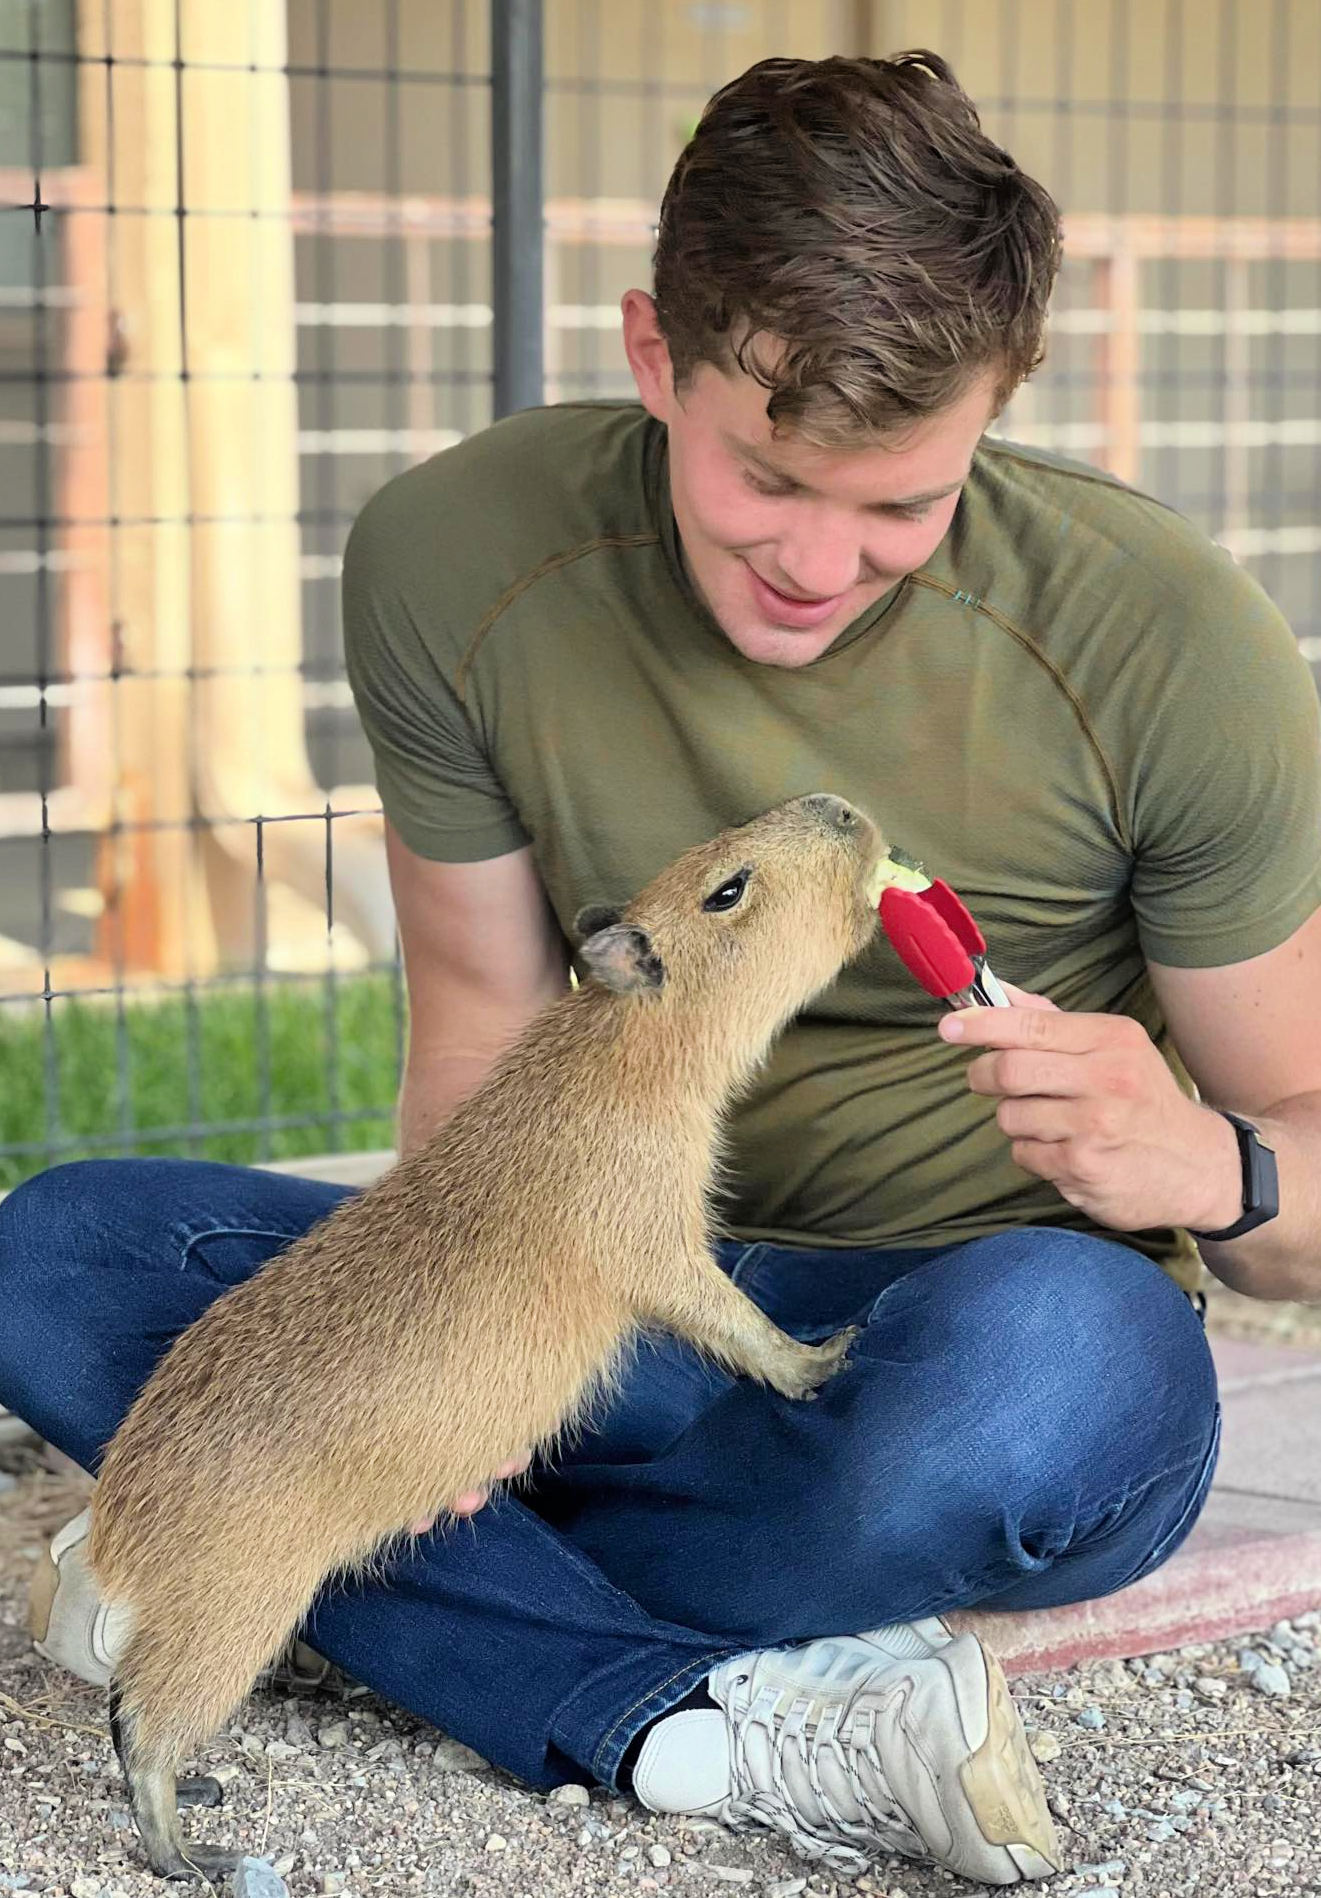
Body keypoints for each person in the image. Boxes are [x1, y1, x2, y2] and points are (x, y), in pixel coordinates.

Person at [4, 49, 1320, 1889]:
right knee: (60, 1251)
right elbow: (472, 1026)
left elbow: (1302, 1189)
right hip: (584, 1307)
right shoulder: (451, 556)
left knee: (1024, 1404)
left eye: (903, 507)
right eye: (766, 475)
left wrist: (1211, 1158)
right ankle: (690, 1708)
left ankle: (370, 1583)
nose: (818, 562)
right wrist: (427, 1356)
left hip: (952, 1331)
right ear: (653, 354)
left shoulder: (1176, 639)